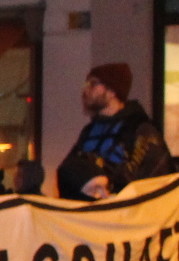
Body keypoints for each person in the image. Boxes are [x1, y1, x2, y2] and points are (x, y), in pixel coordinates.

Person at [67, 63, 169, 199]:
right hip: (92, 208)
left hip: (126, 208)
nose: (86, 89)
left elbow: (138, 179)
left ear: (112, 91)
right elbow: (68, 169)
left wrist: (98, 167)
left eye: (93, 84)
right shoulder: (89, 131)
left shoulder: (140, 129)